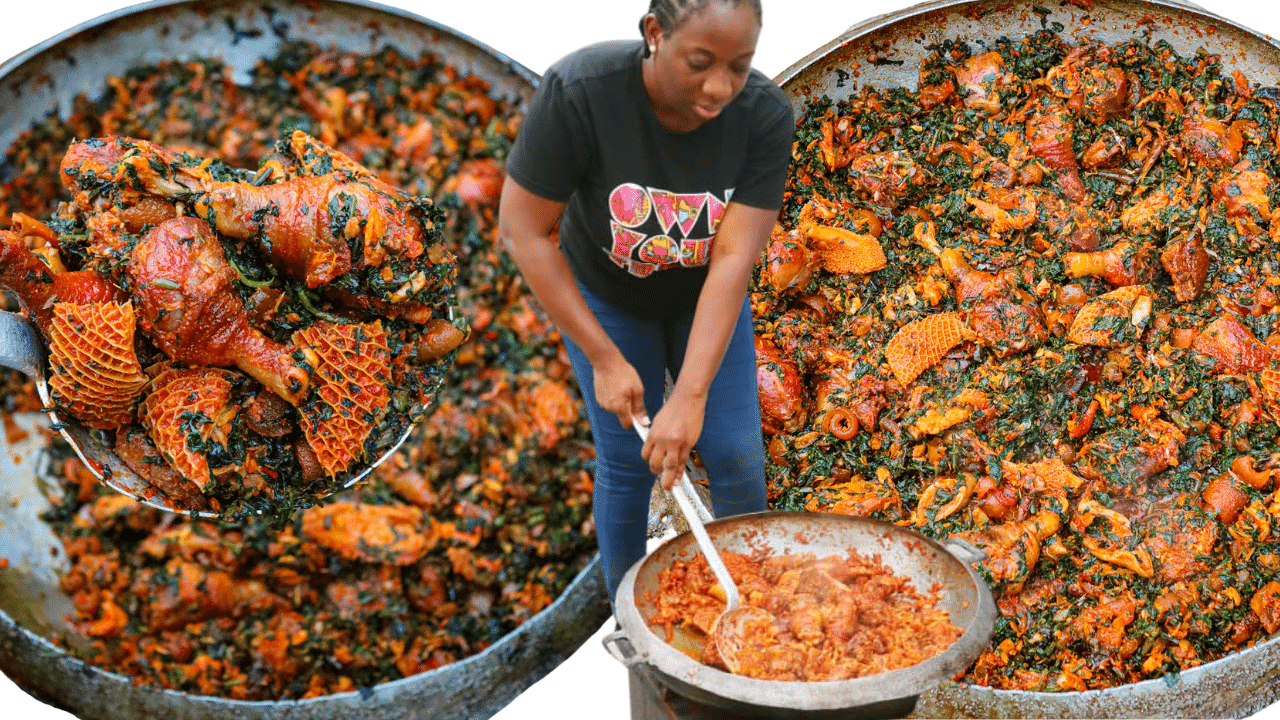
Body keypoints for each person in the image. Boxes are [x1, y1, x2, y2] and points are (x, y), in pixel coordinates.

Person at [497, 0, 794, 606]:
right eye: (700, 63)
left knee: (734, 451)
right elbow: (525, 232)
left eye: (739, 66)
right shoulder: (582, 93)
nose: (719, 87)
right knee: (628, 464)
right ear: (655, 34)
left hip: (703, 297)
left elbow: (734, 258)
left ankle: (757, 609)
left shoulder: (764, 116)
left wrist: (689, 395)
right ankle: (630, 622)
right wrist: (604, 358)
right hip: (606, 296)